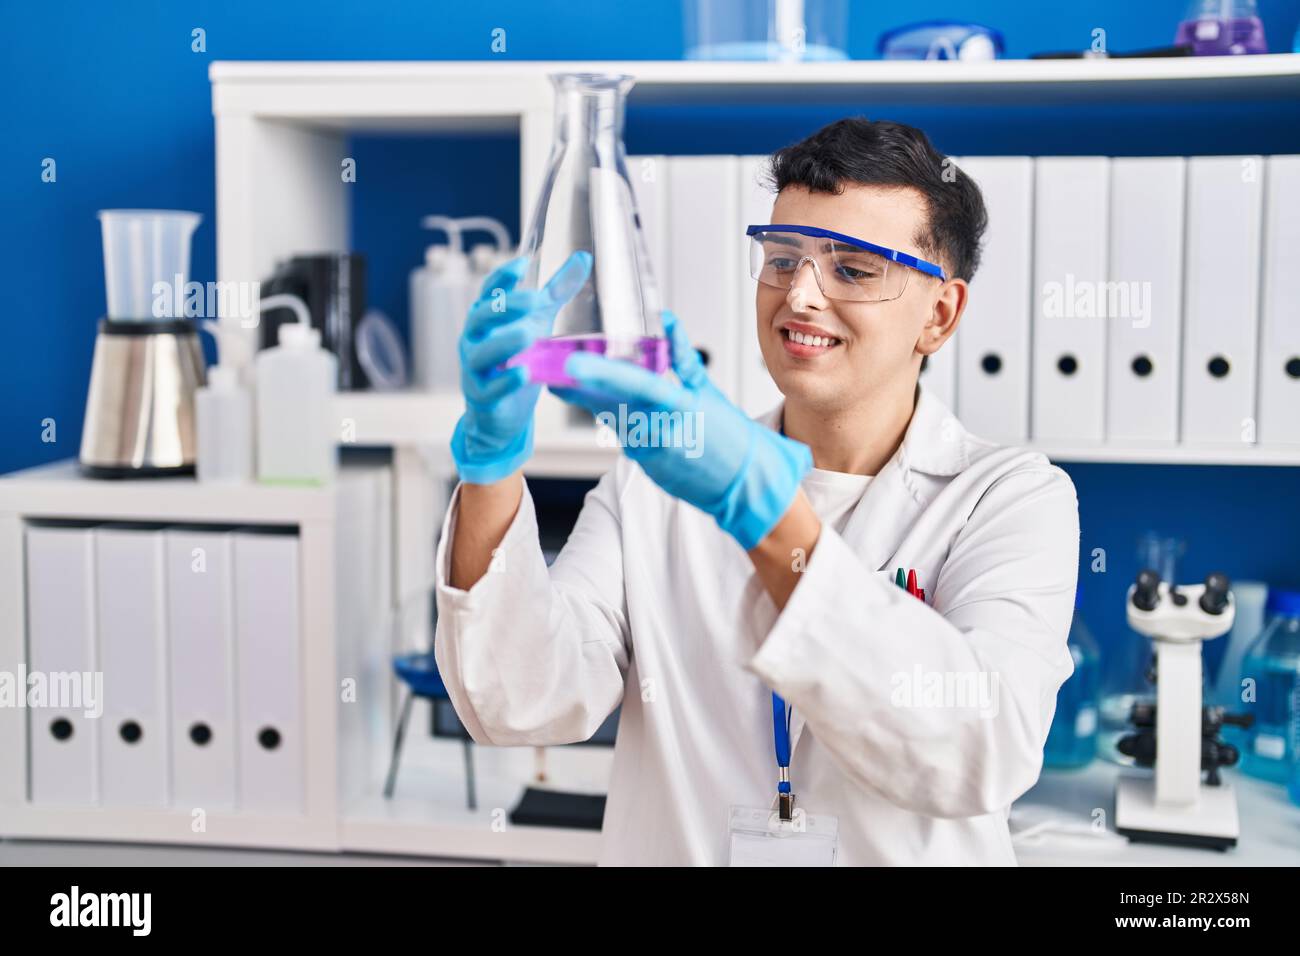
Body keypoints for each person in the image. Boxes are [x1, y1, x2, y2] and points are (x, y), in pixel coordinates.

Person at [434, 117, 1081, 865]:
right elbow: (518, 701)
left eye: (854, 269)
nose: (801, 295)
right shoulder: (660, 480)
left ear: (939, 315)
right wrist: (490, 466)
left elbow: (980, 751)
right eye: (783, 258)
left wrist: (765, 512)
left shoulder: (1009, 499)